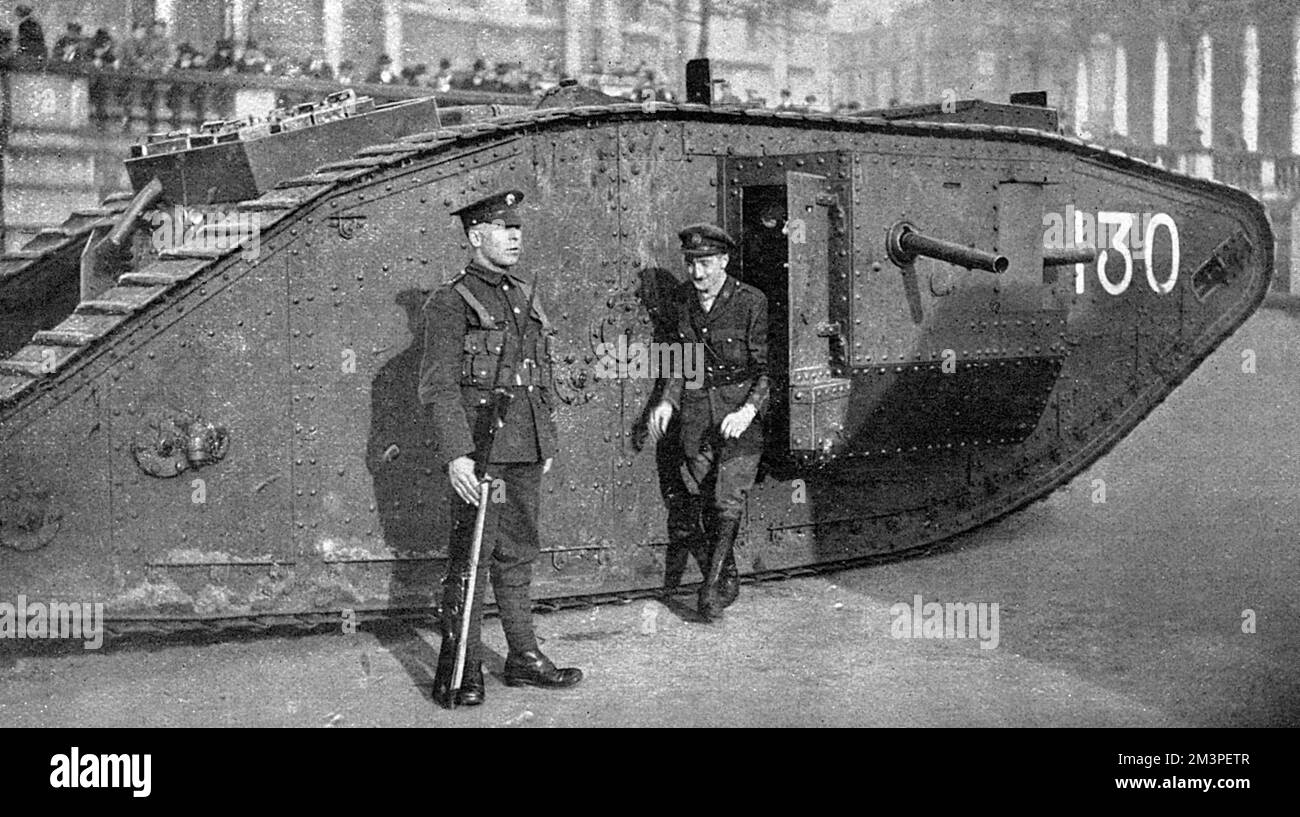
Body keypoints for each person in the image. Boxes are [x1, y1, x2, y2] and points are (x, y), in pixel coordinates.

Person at [418, 190, 582, 709]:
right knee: (474, 557)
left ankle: (524, 657)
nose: (514, 237)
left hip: (524, 446)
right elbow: (438, 386)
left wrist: (545, 438)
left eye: (517, 229)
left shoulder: (524, 294)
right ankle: (465, 669)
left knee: (518, 554)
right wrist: (456, 455)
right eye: (502, 229)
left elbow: (538, 371)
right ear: (474, 237)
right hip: (482, 450)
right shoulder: (450, 300)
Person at [647, 224, 769, 621]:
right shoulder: (684, 300)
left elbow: (768, 369)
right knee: (696, 498)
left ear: (724, 262)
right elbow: (683, 361)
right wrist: (667, 401)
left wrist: (749, 410)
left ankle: (711, 587)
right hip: (698, 413)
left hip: (738, 413)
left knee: (726, 498)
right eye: (690, 264)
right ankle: (728, 571)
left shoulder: (752, 302)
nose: (697, 274)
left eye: (705, 264)